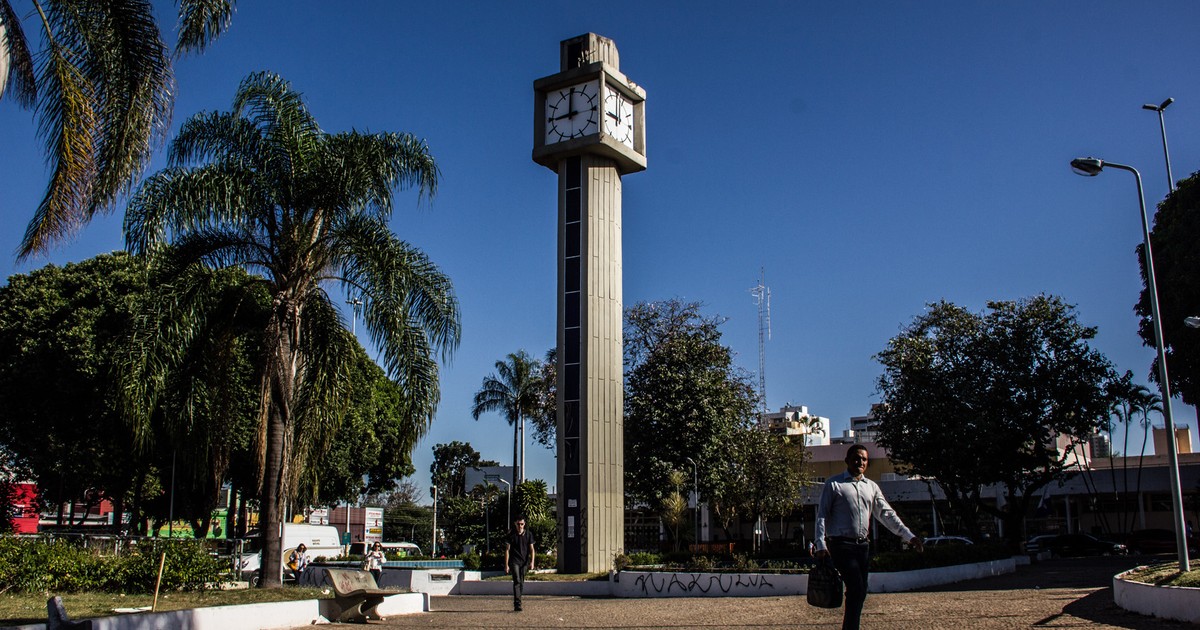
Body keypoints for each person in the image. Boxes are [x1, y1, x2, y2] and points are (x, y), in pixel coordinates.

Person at [815, 444, 924, 630]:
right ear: (847, 460)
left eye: (864, 459)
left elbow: (886, 514)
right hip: (841, 545)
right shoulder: (834, 484)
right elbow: (822, 514)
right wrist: (820, 544)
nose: (860, 462)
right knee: (856, 588)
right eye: (857, 458)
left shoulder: (871, 487)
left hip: (862, 547)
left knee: (859, 590)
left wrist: (909, 536)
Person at [504, 516, 536, 612]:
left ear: (524, 524)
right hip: (514, 561)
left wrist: (532, 562)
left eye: (522, 524)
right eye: (518, 524)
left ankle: (519, 599)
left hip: (524, 562)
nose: (520, 526)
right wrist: (506, 565)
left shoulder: (528, 535)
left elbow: (532, 549)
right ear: (515, 524)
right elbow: (507, 550)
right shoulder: (511, 535)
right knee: (517, 580)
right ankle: (517, 603)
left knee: (521, 582)